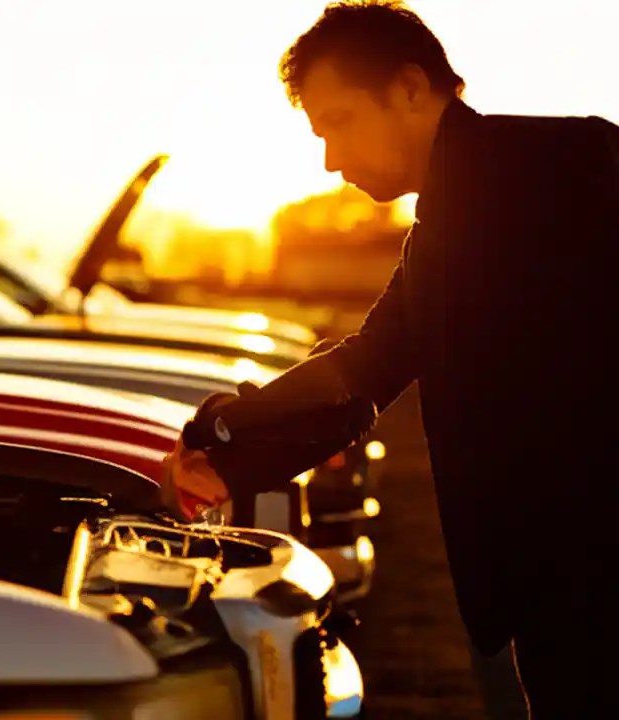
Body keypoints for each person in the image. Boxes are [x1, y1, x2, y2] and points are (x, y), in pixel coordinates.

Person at [160, 2, 617, 717]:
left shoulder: (577, 162)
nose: (330, 160)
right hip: (549, 589)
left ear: (410, 88)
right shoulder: (442, 229)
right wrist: (224, 442)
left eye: (338, 123)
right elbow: (363, 372)